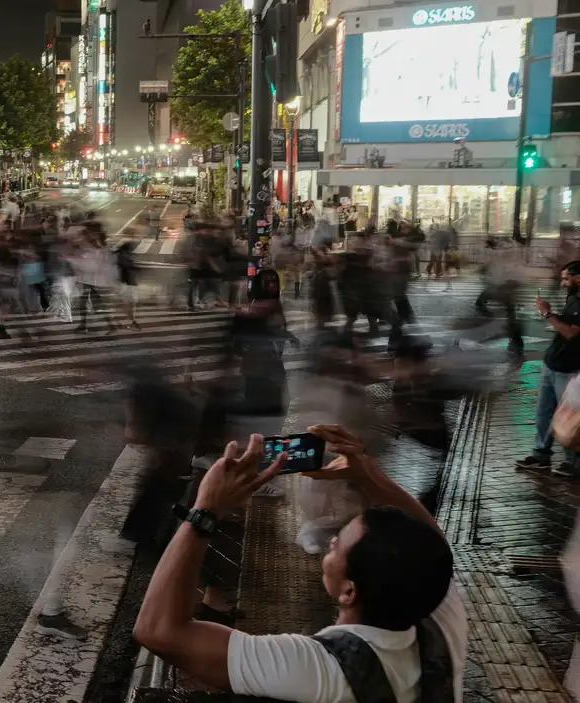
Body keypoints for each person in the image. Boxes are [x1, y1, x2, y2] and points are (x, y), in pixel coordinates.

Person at [134, 425, 466, 703]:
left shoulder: (323, 671)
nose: (332, 540)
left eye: (339, 545)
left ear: (350, 591)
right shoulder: (437, 618)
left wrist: (204, 512)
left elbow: (159, 631)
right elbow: (432, 542)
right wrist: (366, 473)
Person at [516, 261, 580, 478]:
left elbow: (572, 333)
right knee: (544, 413)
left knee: (571, 417)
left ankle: (574, 463)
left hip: (570, 369)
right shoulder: (573, 298)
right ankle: (541, 455)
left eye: (566, 278)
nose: (562, 283)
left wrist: (547, 314)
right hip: (552, 364)